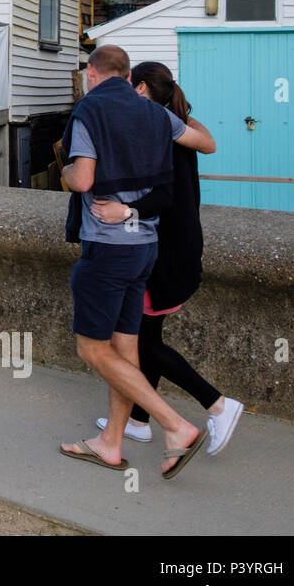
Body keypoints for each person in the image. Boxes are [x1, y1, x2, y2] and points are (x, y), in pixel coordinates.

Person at [58, 44, 215, 479]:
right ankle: (111, 443)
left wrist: (65, 173)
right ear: (128, 77)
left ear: (92, 73)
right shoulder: (156, 114)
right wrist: (186, 110)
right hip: (145, 245)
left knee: (92, 348)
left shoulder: (88, 111)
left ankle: (175, 425)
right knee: (126, 348)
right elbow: (203, 142)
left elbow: (83, 178)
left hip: (107, 248)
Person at [91, 61, 243, 456]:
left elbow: (164, 197)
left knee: (141, 340)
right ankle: (139, 421)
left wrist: (122, 211)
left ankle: (218, 404)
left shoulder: (158, 130)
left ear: (140, 89)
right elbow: (208, 143)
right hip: (183, 246)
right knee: (148, 336)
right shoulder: (178, 126)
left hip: (163, 251)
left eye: (128, 88)